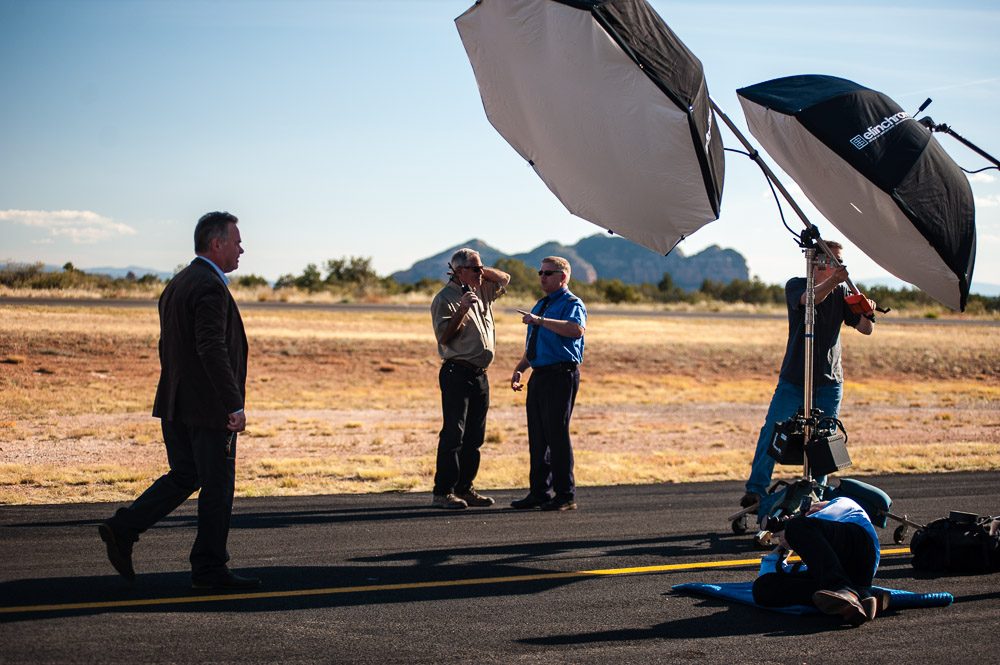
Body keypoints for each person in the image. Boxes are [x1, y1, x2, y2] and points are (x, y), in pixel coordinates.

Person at [98, 211, 259, 590]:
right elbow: (211, 347)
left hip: (176, 403)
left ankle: (124, 527)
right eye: (237, 242)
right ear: (216, 244)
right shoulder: (209, 286)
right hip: (208, 409)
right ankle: (209, 569)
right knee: (217, 487)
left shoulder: (179, 282)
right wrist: (233, 404)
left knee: (187, 475)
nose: (242, 249)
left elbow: (168, 346)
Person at [742, 242, 875, 509]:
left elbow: (866, 329)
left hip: (829, 381)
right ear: (818, 262)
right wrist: (835, 281)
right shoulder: (796, 285)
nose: (841, 265)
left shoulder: (844, 291)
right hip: (795, 378)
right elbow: (809, 300)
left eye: (841, 260)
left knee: (824, 437)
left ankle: (817, 493)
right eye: (836, 260)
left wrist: (867, 312)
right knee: (774, 428)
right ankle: (756, 489)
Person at [428, 249, 510, 509]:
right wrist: (462, 309)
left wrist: (480, 271)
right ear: (459, 271)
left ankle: (465, 488)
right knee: (454, 434)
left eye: (481, 268)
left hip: (479, 375)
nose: (481, 273)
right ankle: (443, 492)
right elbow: (444, 337)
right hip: (457, 372)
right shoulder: (444, 298)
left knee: (475, 437)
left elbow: (505, 278)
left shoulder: (482, 288)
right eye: (475, 269)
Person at [509, 257, 586, 512]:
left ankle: (565, 494)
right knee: (538, 435)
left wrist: (540, 321)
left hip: (560, 374)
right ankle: (540, 491)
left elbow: (576, 329)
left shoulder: (572, 303)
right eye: (540, 272)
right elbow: (536, 342)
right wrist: (521, 368)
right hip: (540, 374)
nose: (542, 277)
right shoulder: (541, 304)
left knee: (557, 434)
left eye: (548, 273)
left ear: (562, 277)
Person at [752, 496, 886, 626]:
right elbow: (767, 572)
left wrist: (792, 528)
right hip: (847, 577)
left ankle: (844, 590)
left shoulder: (843, 503)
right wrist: (782, 546)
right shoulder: (820, 548)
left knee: (796, 525)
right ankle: (860, 597)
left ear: (816, 507)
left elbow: (818, 521)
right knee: (762, 587)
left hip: (861, 552)